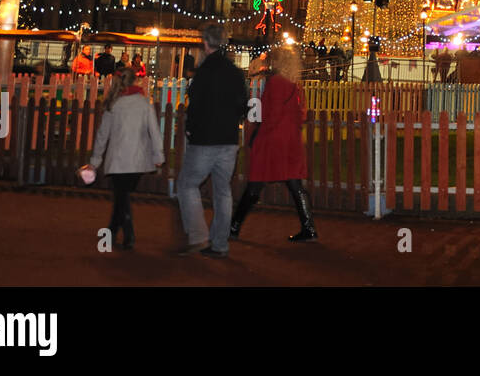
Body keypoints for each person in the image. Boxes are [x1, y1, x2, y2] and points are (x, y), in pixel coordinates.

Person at [230, 46, 318, 243]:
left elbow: (271, 113)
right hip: (291, 140)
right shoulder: (294, 84)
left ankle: (234, 226)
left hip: (272, 140)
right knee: (295, 184)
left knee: (255, 184)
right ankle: (309, 227)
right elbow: (300, 114)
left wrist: (258, 134)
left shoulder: (276, 82)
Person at [175, 24, 249, 258]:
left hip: (205, 139)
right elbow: (243, 105)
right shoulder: (235, 72)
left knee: (187, 185)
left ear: (206, 43)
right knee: (223, 191)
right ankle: (219, 243)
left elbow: (195, 105)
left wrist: (190, 130)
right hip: (228, 139)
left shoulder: (204, 72)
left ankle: (198, 235)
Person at [89, 66, 165, 251]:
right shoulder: (144, 103)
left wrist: (95, 161)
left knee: (121, 198)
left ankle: (119, 233)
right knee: (122, 198)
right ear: (135, 81)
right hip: (138, 160)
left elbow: (102, 135)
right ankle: (119, 233)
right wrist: (158, 154)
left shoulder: (113, 104)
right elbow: (154, 131)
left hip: (117, 160)